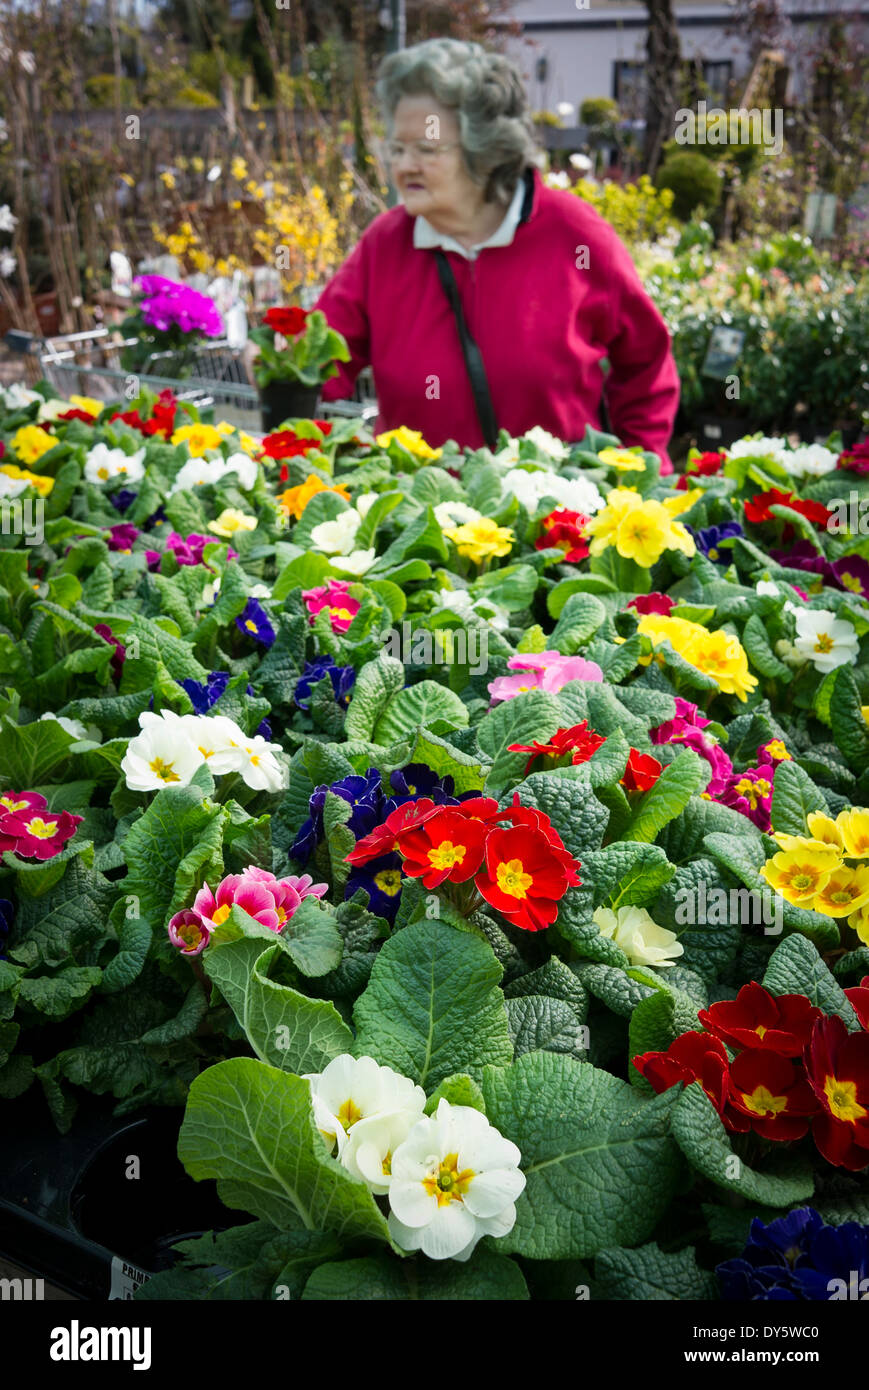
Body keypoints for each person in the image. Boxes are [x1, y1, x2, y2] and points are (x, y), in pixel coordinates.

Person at [315, 37, 680, 470]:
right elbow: (322, 360)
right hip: (420, 518)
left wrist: (639, 469)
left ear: (485, 148)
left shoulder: (574, 235)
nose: (405, 166)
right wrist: (282, 356)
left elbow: (645, 362)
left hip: (555, 520)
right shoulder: (386, 243)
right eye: (397, 148)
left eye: (427, 149)